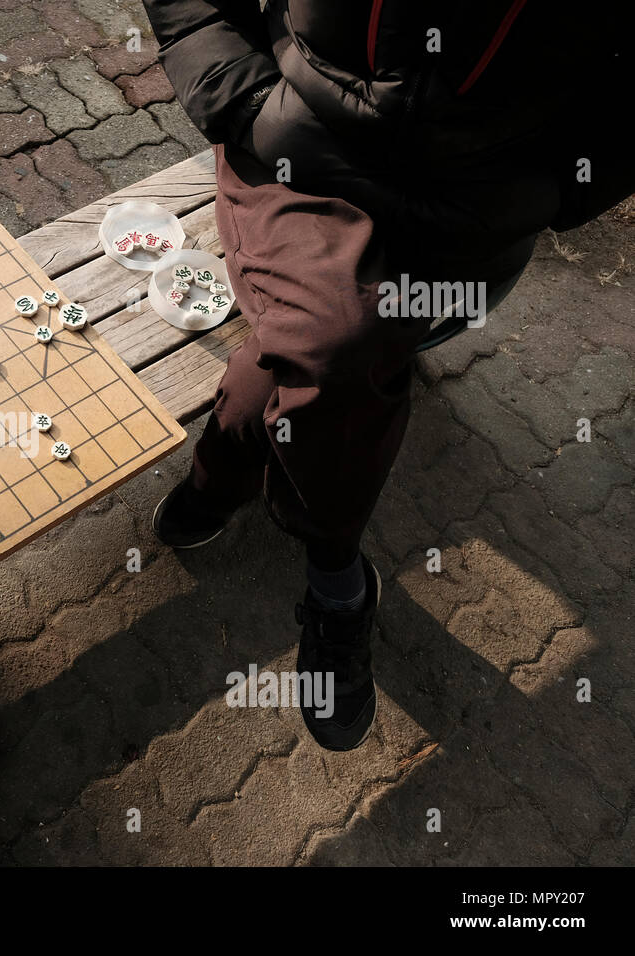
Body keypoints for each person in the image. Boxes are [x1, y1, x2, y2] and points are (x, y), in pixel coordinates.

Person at [141, 0, 633, 750]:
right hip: (297, 152)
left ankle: (229, 457)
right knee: (335, 346)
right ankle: (337, 580)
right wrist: (251, 107)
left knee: (320, 352)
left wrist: (550, 190)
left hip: (473, 201)